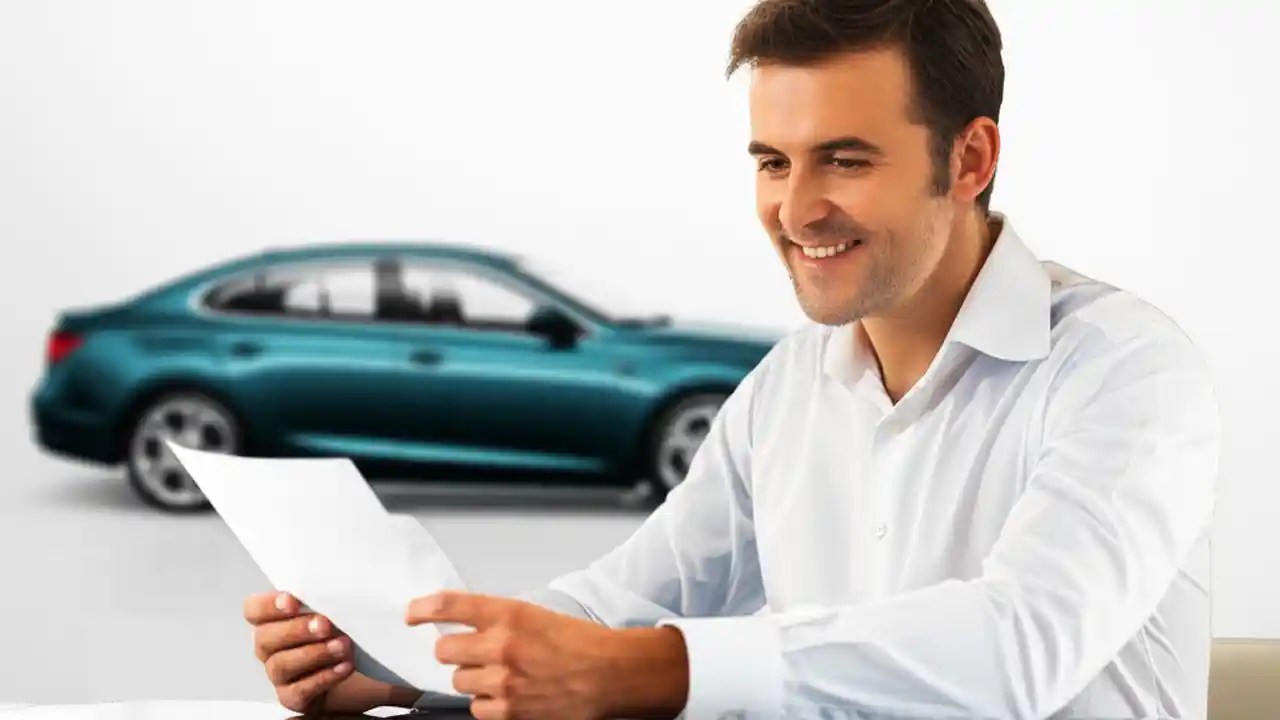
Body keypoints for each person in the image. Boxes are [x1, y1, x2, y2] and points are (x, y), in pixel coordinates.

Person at [243, 1, 1220, 718]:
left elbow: (1017, 652)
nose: (794, 211)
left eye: (844, 159)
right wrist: (412, 670)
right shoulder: (785, 388)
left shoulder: (1122, 371)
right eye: (770, 162)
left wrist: (656, 670)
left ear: (967, 161)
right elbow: (627, 602)